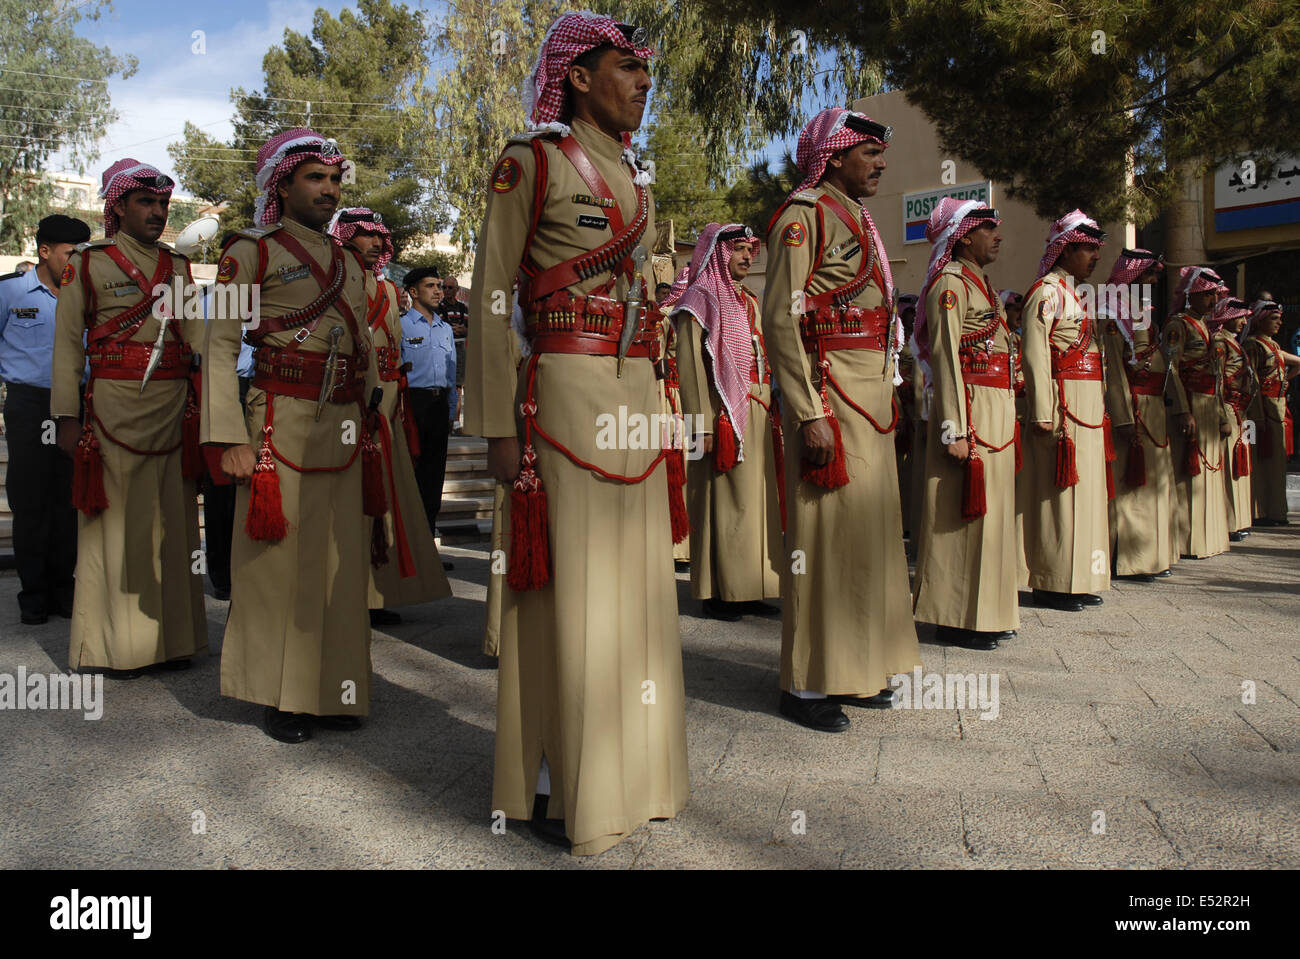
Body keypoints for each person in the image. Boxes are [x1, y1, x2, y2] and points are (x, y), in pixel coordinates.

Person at [464, 12, 688, 855]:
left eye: (644, 72)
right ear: (581, 78)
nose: (641, 83)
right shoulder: (531, 162)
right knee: (574, 593)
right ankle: (562, 779)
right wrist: (492, 423)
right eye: (625, 69)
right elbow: (492, 295)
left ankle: (634, 769)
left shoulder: (636, 181)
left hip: (633, 393)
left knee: (633, 590)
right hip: (560, 398)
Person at [201, 128, 382, 743]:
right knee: (279, 562)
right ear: (282, 183)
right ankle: (283, 694)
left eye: (335, 180)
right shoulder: (248, 251)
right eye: (315, 178)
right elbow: (219, 345)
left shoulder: (351, 261)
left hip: (343, 420)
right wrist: (228, 435)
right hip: (278, 417)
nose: (329, 189)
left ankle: (335, 691)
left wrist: (371, 406)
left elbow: (363, 342)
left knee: (338, 558)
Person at [762, 107, 921, 731]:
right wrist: (807, 412)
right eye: (869, 153)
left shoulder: (856, 216)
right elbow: (782, 318)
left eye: (882, 154)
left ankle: (854, 669)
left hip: (870, 400)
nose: (880, 163)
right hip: (830, 398)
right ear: (833, 156)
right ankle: (804, 686)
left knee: (868, 541)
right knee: (823, 544)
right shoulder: (804, 217)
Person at [51, 160, 206, 675]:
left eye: (163, 204)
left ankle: (174, 641)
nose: (158, 213)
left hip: (174, 408)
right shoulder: (87, 263)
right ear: (117, 206)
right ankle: (115, 648)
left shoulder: (179, 268)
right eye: (145, 202)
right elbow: (68, 346)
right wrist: (65, 417)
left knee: (173, 524)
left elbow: (197, 340)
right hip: (112, 409)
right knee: (114, 528)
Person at [329, 208, 451, 624]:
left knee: (385, 497)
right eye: (364, 234)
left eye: (380, 235)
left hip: (387, 407)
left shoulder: (388, 292)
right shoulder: (333, 283)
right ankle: (339, 593)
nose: (376, 242)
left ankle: (375, 595)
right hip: (345, 403)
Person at [911, 199, 1018, 649]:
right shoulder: (950, 285)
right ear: (964, 236)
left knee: (990, 520)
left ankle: (988, 611)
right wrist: (953, 427)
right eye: (988, 228)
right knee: (962, 516)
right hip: (969, 406)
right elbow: (946, 359)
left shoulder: (983, 285)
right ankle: (955, 617)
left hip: (995, 404)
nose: (997, 235)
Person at [667, 223, 781, 621]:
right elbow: (690, 365)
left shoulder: (748, 300)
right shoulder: (699, 300)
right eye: (739, 250)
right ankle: (719, 591)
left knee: (753, 504)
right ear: (718, 253)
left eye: (751, 249)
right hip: (718, 414)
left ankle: (750, 587)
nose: (749, 256)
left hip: (756, 408)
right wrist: (701, 423)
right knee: (721, 501)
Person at [1020, 210, 1112, 612]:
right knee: (1058, 498)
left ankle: (1080, 578)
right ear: (1068, 249)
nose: (1095, 256)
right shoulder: (1046, 292)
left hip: (1087, 408)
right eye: (1089, 249)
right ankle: (1052, 582)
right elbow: (1035, 353)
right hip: (1062, 405)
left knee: (1086, 495)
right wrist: (1042, 410)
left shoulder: (1074, 293)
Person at [0, 215, 89, 624]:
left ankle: (62, 589)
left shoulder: (86, 293)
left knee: (69, 499)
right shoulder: (10, 292)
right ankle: (33, 594)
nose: (76, 261)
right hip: (29, 405)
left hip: (75, 405)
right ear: (45, 251)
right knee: (31, 500)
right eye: (70, 253)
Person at [1099, 248, 1176, 582]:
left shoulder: (1140, 311)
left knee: (1155, 485)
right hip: (1134, 407)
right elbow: (1114, 368)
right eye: (1149, 274)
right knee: (1131, 487)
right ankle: (1131, 558)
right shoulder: (1112, 311)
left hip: (1155, 408)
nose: (1154, 280)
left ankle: (1154, 555)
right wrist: (1123, 417)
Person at [1166, 266, 1232, 558]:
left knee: (1208, 471)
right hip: (1190, 402)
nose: (1212, 300)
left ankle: (1209, 539)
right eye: (1206, 294)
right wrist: (1182, 410)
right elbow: (1171, 368)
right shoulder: (1178, 325)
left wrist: (1221, 416)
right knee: (1187, 472)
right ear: (1192, 295)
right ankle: (1186, 540)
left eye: (1214, 295)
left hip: (1208, 402)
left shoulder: (1209, 327)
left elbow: (1217, 376)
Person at [401, 266, 458, 559]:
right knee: (409, 477)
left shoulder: (445, 329)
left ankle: (426, 553)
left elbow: (451, 375)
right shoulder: (401, 326)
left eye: (439, 285)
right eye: (430, 286)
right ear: (413, 292)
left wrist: (451, 412)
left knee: (433, 479)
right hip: (412, 404)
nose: (438, 291)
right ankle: (406, 551)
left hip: (438, 408)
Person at [1244, 299, 1298, 525]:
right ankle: (1259, 511)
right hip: (1261, 410)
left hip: (1277, 406)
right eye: (1274, 318)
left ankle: (1275, 511)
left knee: (1276, 461)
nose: (1279, 322)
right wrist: (1257, 416)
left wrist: (1283, 382)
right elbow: (1251, 382)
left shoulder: (1273, 346)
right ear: (1261, 320)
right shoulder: (1252, 345)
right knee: (1258, 460)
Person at [1211, 298, 1255, 542]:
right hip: (1228, 406)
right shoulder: (1220, 342)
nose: (1244, 322)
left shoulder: (1234, 342)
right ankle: (1229, 521)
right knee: (1229, 464)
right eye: (1241, 316)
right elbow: (1217, 379)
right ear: (1227, 316)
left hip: (1242, 409)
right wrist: (1220, 415)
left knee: (1241, 463)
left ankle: (1240, 520)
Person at [438, 275, 469, 430]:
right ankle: (445, 419)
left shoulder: (463, 308)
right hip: (445, 348)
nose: (446, 290)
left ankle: (456, 421)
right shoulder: (438, 307)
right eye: (444, 287)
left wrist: (464, 330)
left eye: (450, 287)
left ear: (457, 289)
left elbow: (470, 327)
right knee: (444, 383)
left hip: (460, 347)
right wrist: (451, 329)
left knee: (458, 384)